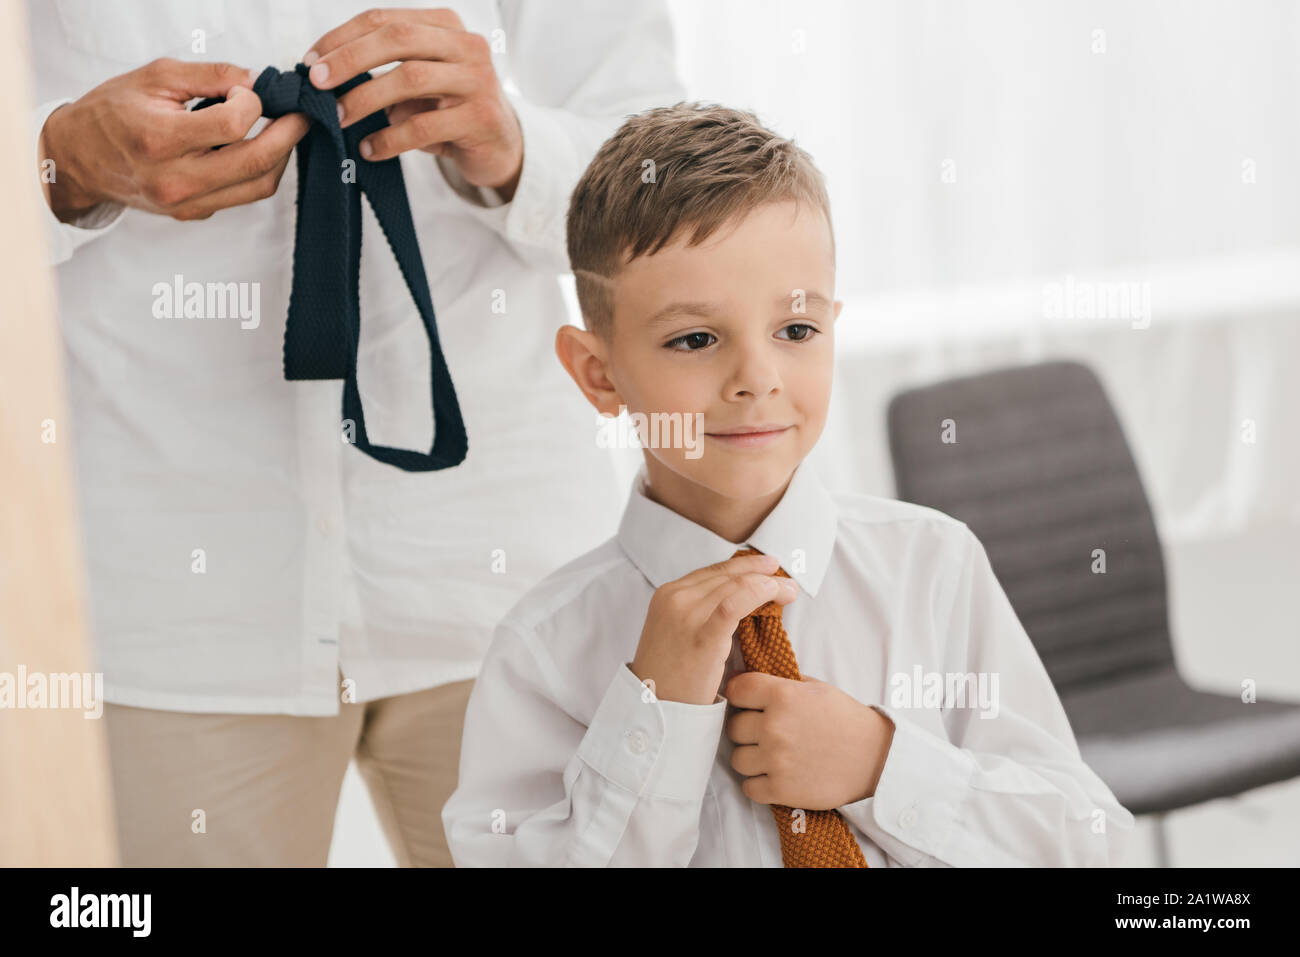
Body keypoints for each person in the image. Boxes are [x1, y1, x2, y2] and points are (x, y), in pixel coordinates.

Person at [26, 1, 683, 866]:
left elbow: (659, 172)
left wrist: (517, 149)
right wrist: (54, 166)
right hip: (166, 595)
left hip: (505, 583)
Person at [442, 102, 1138, 866]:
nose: (756, 379)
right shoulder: (542, 651)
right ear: (598, 374)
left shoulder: (933, 565)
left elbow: (1094, 848)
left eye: (796, 330)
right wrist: (655, 708)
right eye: (696, 339)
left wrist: (884, 764)